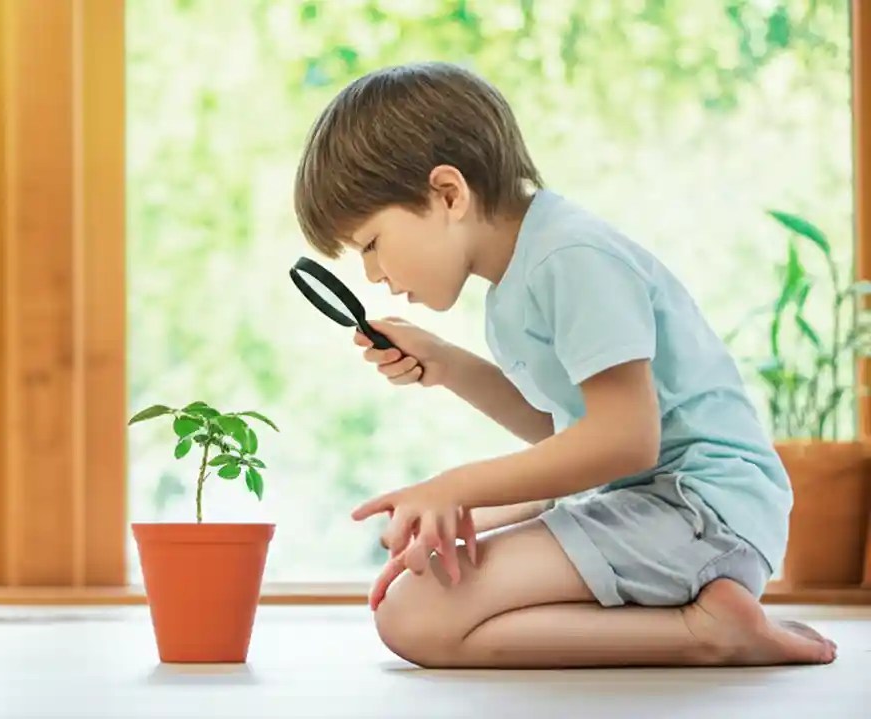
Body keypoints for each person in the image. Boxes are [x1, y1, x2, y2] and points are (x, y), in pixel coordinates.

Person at [292, 61, 837, 668]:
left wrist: (457, 487)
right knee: (414, 613)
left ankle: (707, 631)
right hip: (658, 508)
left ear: (448, 193)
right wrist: (447, 365)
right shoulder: (517, 282)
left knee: (416, 615)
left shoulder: (571, 257)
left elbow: (625, 440)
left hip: (699, 507)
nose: (372, 273)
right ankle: (704, 623)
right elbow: (568, 433)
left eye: (371, 244)